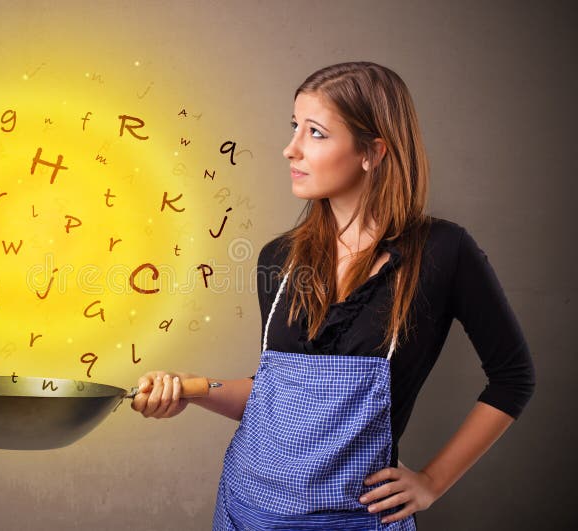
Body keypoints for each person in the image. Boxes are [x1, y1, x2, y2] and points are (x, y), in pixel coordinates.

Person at [130, 61, 535, 530]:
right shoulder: (277, 258)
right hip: (246, 510)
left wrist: (431, 481)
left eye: (316, 133)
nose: (290, 149)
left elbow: (514, 378)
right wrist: (195, 389)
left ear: (372, 151)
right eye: (294, 127)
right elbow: (278, 397)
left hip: (355, 520)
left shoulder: (442, 253)